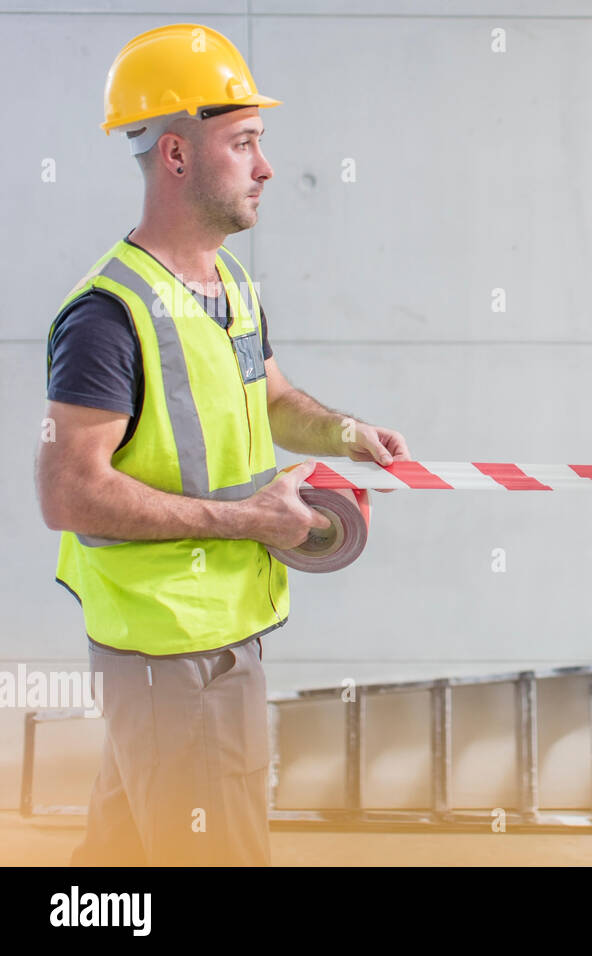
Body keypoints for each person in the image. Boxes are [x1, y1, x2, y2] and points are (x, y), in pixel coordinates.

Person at [36, 22, 411, 865]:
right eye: (243, 143)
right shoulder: (108, 315)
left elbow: (271, 396)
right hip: (174, 648)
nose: (267, 167)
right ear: (176, 156)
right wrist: (251, 522)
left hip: (214, 634)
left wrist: (346, 434)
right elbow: (69, 493)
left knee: (123, 861)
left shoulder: (230, 284)